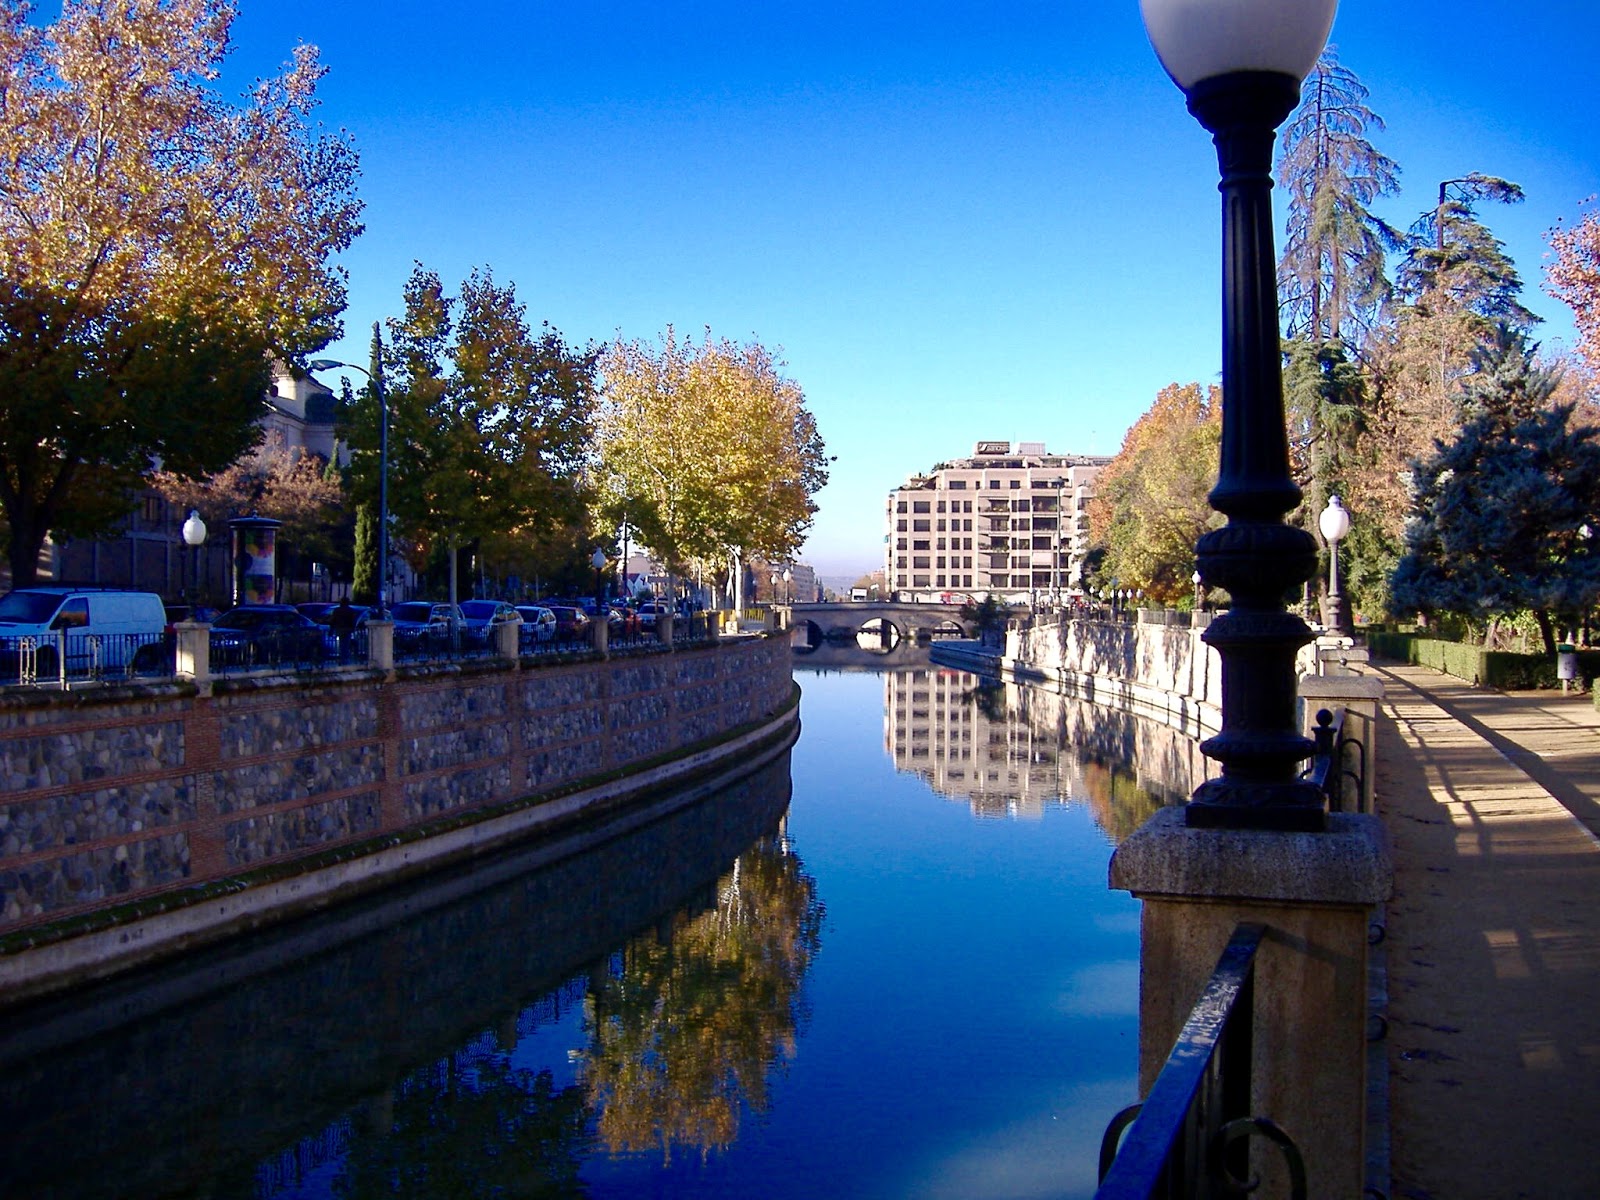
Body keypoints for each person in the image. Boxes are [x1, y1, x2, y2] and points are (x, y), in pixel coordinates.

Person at [330, 597, 358, 661]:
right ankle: (345, 659)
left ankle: (342, 658)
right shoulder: (351, 610)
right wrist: (353, 628)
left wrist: (331, 629)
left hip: (339, 629)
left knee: (341, 645)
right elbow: (353, 621)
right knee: (346, 644)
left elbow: (333, 621)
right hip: (347, 630)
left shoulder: (336, 610)